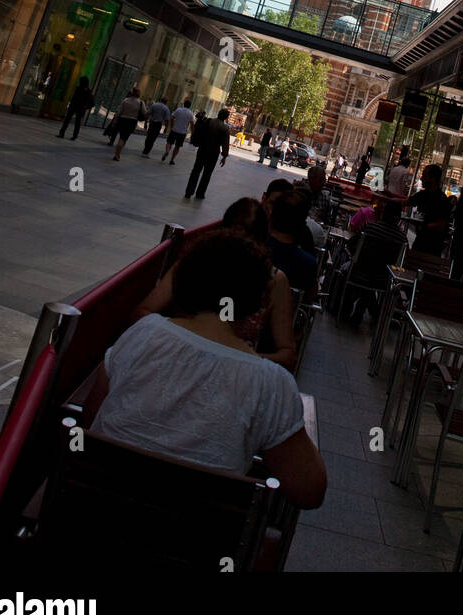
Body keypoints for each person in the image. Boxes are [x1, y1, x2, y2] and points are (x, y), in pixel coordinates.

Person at [89, 231, 326, 508]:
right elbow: (309, 492)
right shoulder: (271, 384)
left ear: (185, 280)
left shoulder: (144, 333)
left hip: (91, 512)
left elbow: (93, 419)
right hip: (196, 542)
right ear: (259, 300)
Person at [136, 198, 296, 370]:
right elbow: (143, 312)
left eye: (247, 247)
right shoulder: (194, 261)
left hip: (231, 372)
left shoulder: (274, 281)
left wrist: (240, 357)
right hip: (179, 361)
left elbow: (287, 354)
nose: (238, 254)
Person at [342, 199, 407, 327]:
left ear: (383, 213)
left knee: (352, 271)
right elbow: (402, 265)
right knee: (373, 279)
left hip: (358, 273)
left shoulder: (370, 227)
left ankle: (352, 311)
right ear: (399, 219)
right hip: (384, 280)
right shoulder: (402, 239)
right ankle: (371, 313)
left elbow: (351, 245)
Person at [267, 187, 318, 300]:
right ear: (303, 225)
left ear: (272, 216)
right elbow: (311, 296)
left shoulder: (251, 247)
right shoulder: (308, 264)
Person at [184, 107, 230, 201]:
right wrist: (224, 156)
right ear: (226, 117)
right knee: (207, 174)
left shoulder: (209, 121)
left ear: (218, 113)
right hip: (213, 152)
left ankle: (189, 191)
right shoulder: (225, 128)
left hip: (203, 149)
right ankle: (200, 193)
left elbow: (200, 132)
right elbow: (225, 143)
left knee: (196, 170)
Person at [412, 164, 451, 256]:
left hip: (431, 247)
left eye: (424, 176)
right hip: (420, 242)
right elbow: (406, 201)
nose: (421, 178)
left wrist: (426, 226)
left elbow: (442, 224)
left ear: (433, 179)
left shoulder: (442, 200)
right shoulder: (423, 194)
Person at [111, 87, 146, 161]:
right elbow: (144, 113)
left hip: (122, 120)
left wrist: (115, 121)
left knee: (122, 137)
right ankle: (117, 155)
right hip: (131, 122)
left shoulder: (125, 100)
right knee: (123, 138)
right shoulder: (140, 102)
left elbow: (119, 112)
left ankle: (118, 153)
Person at [57, 76, 94, 140]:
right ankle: (73, 136)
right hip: (78, 108)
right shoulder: (86, 90)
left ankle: (62, 133)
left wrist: (70, 105)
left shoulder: (82, 89)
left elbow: (74, 98)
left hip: (75, 107)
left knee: (68, 121)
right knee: (76, 123)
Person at [162, 97, 194, 166]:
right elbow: (192, 124)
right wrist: (192, 132)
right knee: (177, 146)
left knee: (169, 142)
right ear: (190, 106)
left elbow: (172, 118)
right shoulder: (190, 113)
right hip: (182, 132)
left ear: (184, 104)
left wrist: (172, 125)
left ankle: (167, 151)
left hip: (174, 129)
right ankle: (172, 160)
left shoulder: (178, 110)